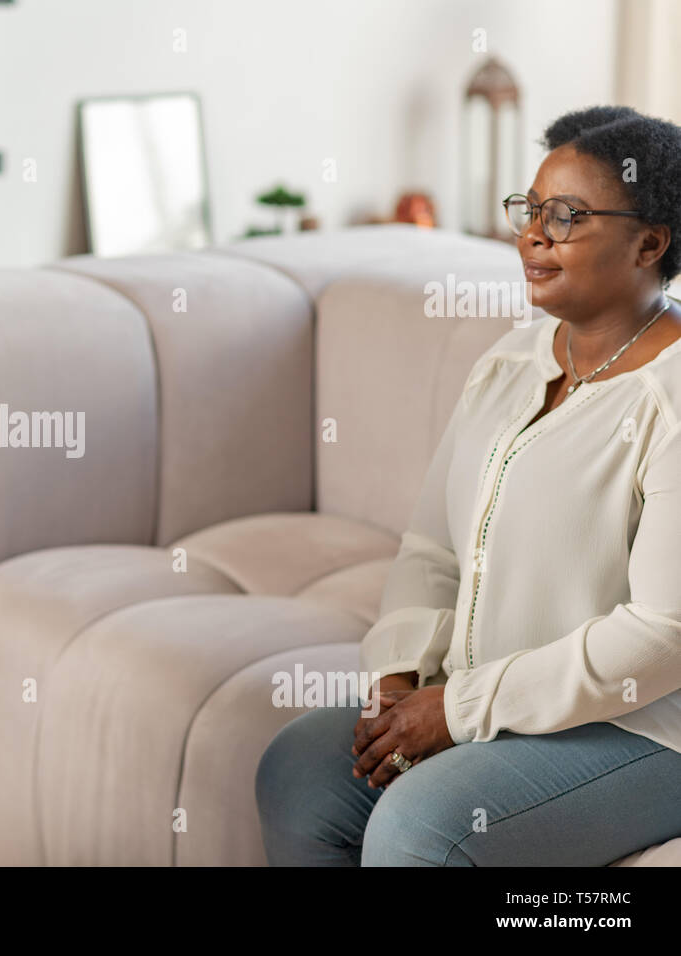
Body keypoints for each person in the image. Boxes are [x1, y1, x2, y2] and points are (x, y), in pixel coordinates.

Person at [256, 105, 681, 865]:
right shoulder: (509, 365)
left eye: (567, 216)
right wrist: (400, 673)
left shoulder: (670, 397)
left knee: (424, 827)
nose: (533, 235)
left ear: (650, 242)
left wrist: (457, 710)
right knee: (299, 774)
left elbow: (663, 634)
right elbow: (432, 548)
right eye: (529, 210)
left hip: (644, 729)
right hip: (488, 701)